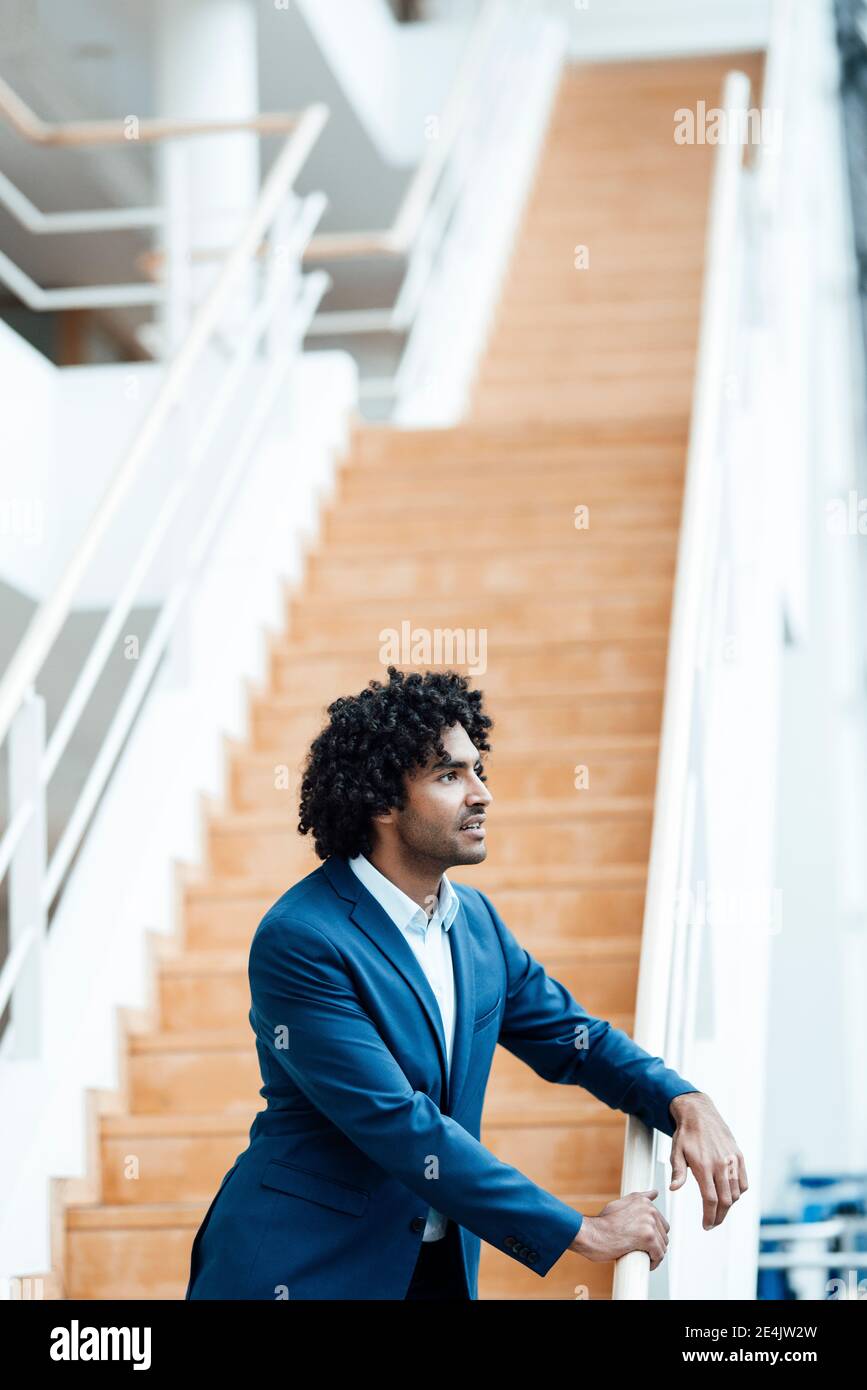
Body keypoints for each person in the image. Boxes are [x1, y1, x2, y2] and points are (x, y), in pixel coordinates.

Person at [185, 666, 747, 1300]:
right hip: (302, 1266)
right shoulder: (302, 939)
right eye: (450, 776)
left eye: (478, 771)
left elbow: (573, 1038)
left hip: (434, 1270)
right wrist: (579, 1233)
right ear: (382, 803)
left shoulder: (473, 921)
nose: (481, 794)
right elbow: (399, 1123)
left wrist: (681, 1101)